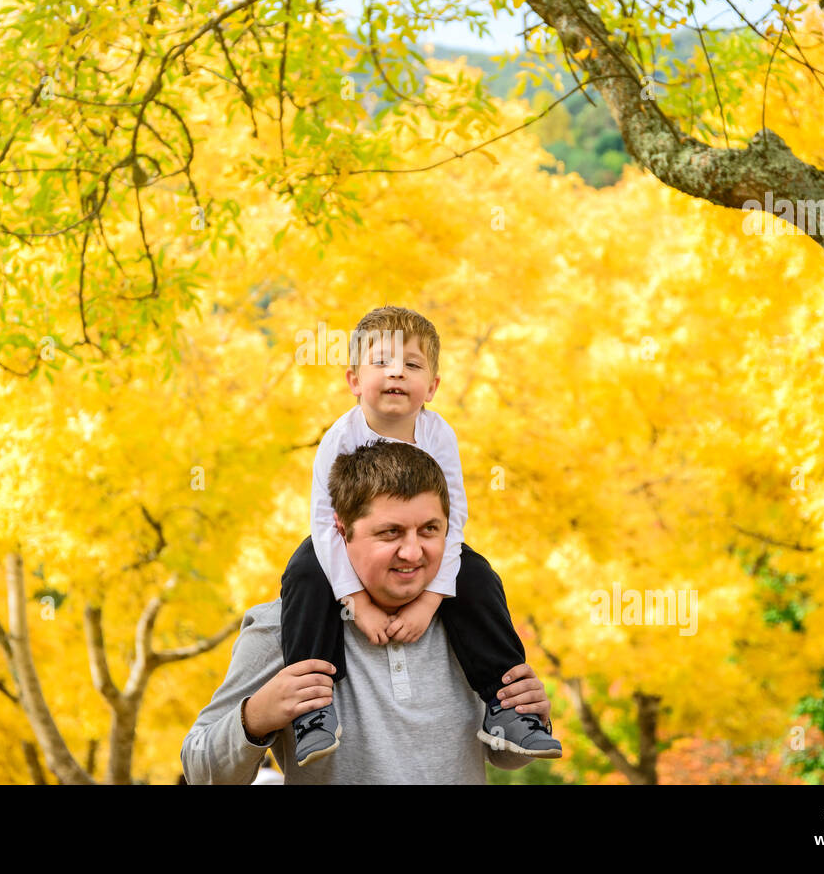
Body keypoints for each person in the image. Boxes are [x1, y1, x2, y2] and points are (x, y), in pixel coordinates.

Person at [180, 439, 555, 784]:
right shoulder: (281, 628)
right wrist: (255, 718)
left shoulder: (472, 622)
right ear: (341, 533)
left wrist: (529, 713)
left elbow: (502, 756)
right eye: (390, 533)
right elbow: (199, 770)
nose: (412, 552)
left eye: (429, 530)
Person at [280, 306, 560, 765]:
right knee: (306, 569)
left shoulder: (438, 434)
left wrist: (431, 598)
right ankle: (313, 707)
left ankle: (508, 706)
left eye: (412, 364)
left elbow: (454, 519)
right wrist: (358, 602)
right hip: (345, 548)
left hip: (429, 550)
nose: (396, 372)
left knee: (477, 575)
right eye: (382, 362)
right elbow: (324, 526)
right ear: (353, 380)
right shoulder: (338, 439)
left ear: (431, 387)